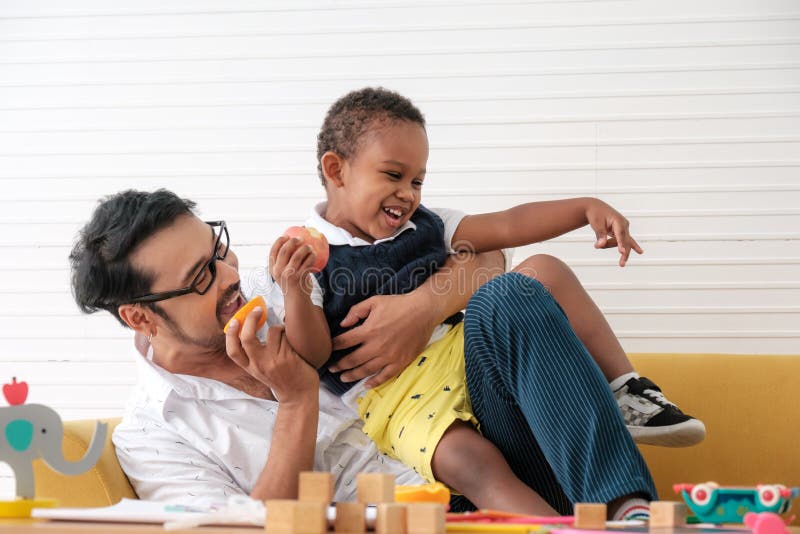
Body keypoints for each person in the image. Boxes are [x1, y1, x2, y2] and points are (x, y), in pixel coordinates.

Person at [70, 189, 656, 517]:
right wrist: (298, 400)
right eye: (201, 276)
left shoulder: (283, 282)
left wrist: (424, 305)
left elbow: (487, 257)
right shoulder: (155, 433)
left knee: (513, 293)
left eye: (218, 250)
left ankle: (628, 513)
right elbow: (250, 531)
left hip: (502, 452)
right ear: (140, 316)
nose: (230, 277)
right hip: (425, 510)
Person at [260, 87, 703, 514]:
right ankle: (555, 529)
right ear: (336, 171)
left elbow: (509, 225)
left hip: (465, 359)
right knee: (474, 466)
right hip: (399, 399)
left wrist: (584, 207)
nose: (408, 193)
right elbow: (313, 353)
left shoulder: (428, 225)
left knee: (545, 269)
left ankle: (626, 389)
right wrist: (295, 288)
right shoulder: (305, 254)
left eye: (417, 180)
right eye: (393, 175)